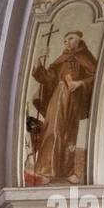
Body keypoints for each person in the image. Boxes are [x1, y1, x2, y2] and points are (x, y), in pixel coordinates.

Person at [29, 31, 97, 183]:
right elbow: (48, 79)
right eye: (65, 40)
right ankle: (46, 170)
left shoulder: (86, 58)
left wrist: (79, 83)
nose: (66, 42)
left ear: (79, 40)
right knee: (52, 129)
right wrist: (40, 60)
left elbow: (96, 77)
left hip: (74, 98)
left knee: (70, 133)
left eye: (70, 38)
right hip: (58, 97)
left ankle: (67, 171)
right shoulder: (62, 59)